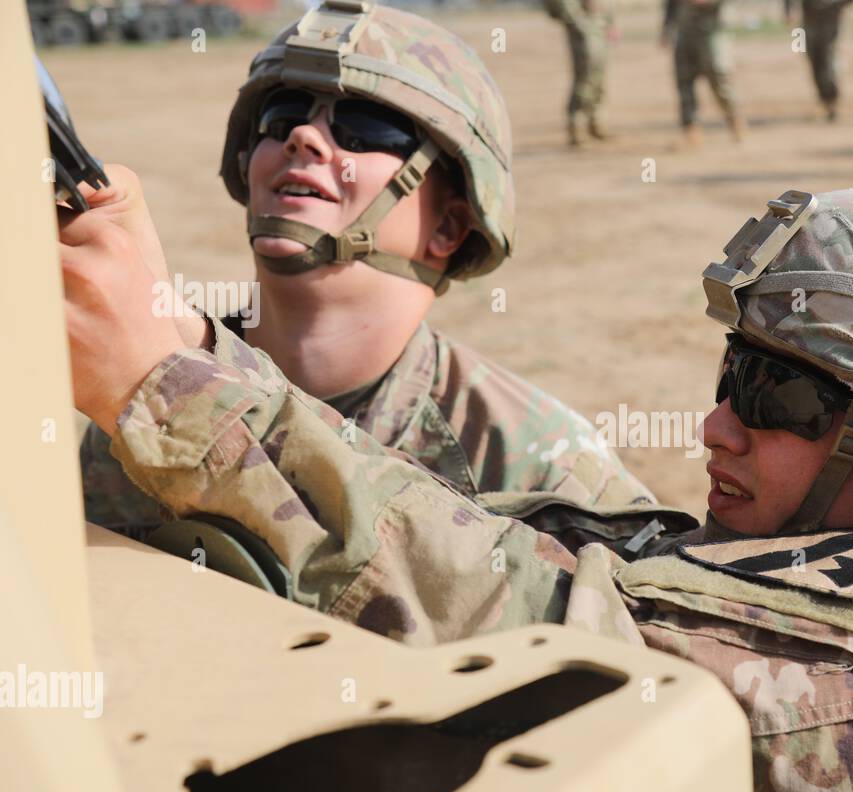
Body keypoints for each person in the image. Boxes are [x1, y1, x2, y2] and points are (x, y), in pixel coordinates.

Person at [62, 184, 853, 792]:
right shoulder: (810, 562)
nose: (716, 425)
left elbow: (561, 631)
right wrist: (192, 349)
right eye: (733, 371)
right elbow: (540, 538)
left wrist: (170, 380)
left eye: (777, 394)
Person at [78, 0, 669, 549]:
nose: (303, 137)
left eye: (364, 130)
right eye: (281, 118)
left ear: (448, 226)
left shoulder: (540, 466)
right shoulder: (152, 400)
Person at [662, 0, 746, 144]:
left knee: (719, 80)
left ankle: (734, 118)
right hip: (685, 31)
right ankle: (691, 130)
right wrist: (667, 28)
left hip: (713, 30)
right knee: (684, 82)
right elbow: (671, 4)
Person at [545, 0, 617, 147]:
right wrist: (578, 21)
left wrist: (609, 21)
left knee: (598, 76)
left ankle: (595, 121)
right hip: (583, 27)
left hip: (599, 24)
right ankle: (576, 124)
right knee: (585, 77)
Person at [784, 0, 853, 122]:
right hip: (810, 14)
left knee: (827, 58)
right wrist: (789, 9)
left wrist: (840, 5)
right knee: (813, 57)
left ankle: (831, 101)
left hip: (830, 14)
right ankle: (825, 100)